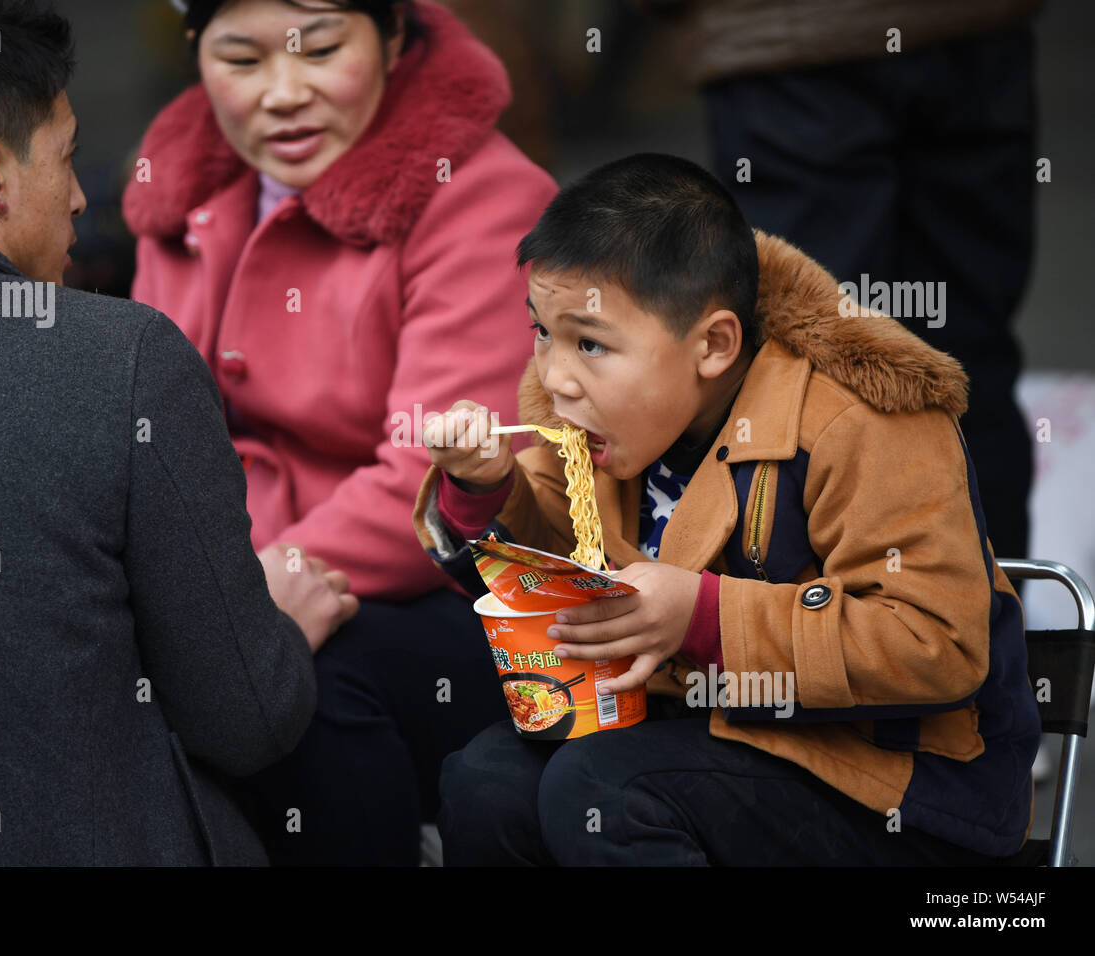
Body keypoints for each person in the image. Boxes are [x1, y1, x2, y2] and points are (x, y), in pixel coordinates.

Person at [0, 0, 328, 866]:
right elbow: (246, 718)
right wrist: (283, 630)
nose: (84, 199)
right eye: (69, 159)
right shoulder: (122, 362)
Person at [415, 153, 1041, 865]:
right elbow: (560, 566)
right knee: (484, 781)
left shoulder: (863, 418)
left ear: (714, 344)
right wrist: (482, 490)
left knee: (603, 792)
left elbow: (939, 645)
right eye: (542, 332)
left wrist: (704, 616)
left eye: (590, 342)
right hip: (700, 738)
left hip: (902, 794)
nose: (555, 376)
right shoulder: (604, 426)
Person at [124, 0, 557, 865]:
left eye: (319, 49)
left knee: (300, 685)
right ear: (194, 54)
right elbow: (145, 449)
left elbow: (427, 482)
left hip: (436, 596)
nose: (282, 93)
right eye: (242, 60)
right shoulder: (181, 192)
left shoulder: (482, 195)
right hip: (241, 579)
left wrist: (236, 607)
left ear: (394, 38)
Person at [656, 0, 1043, 565]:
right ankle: (995, 636)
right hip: (973, 27)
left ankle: (853, 634)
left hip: (789, 42)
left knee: (803, 369)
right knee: (968, 355)